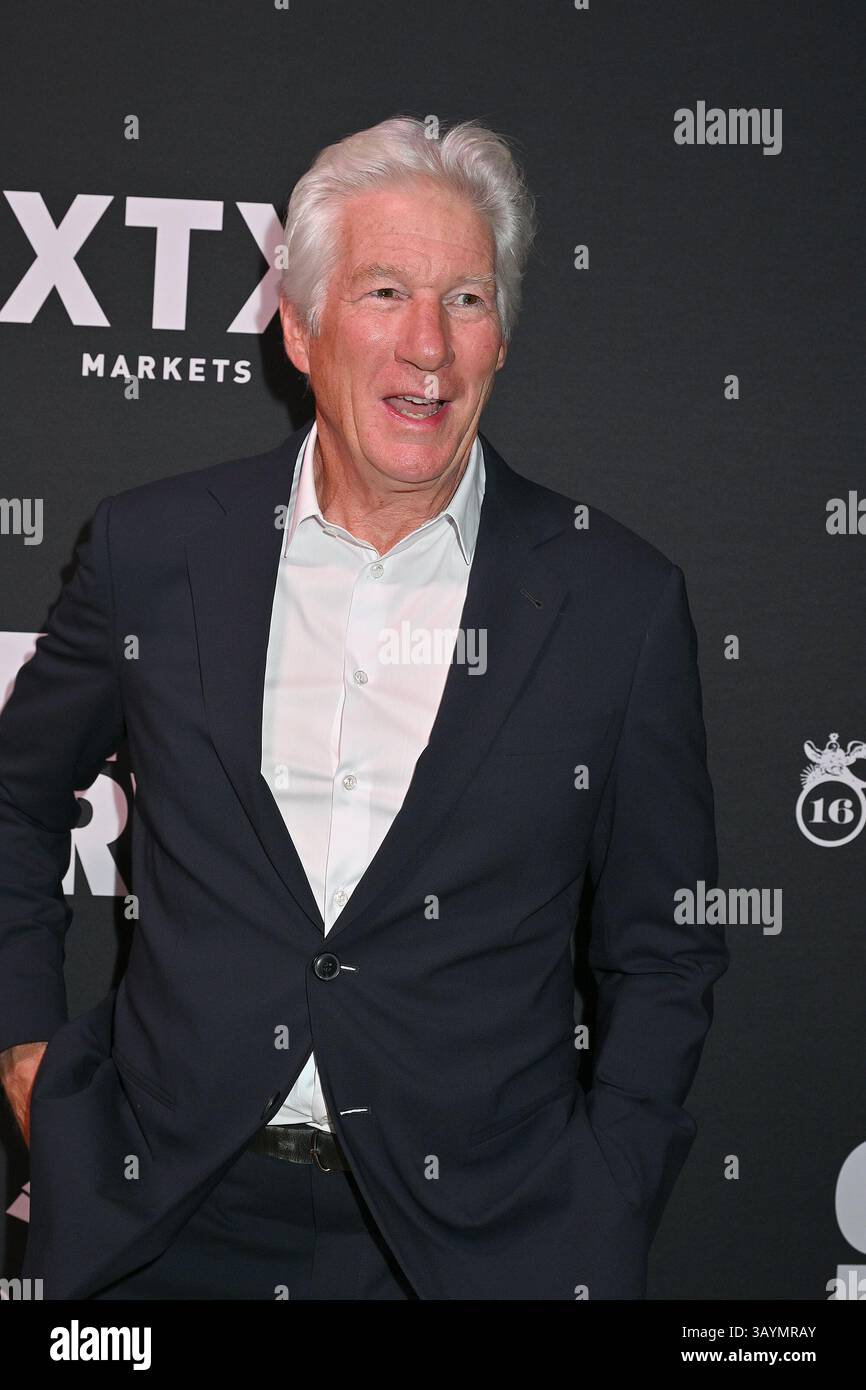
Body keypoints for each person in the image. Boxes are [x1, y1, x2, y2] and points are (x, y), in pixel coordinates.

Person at [0, 115, 729, 1300]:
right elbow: (14, 796)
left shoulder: (614, 600)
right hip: (161, 1222)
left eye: (468, 301)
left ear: (502, 337)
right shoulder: (157, 550)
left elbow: (664, 942)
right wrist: (28, 1052)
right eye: (385, 291)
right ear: (297, 325)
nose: (427, 347)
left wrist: (605, 1185)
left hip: (476, 1249)